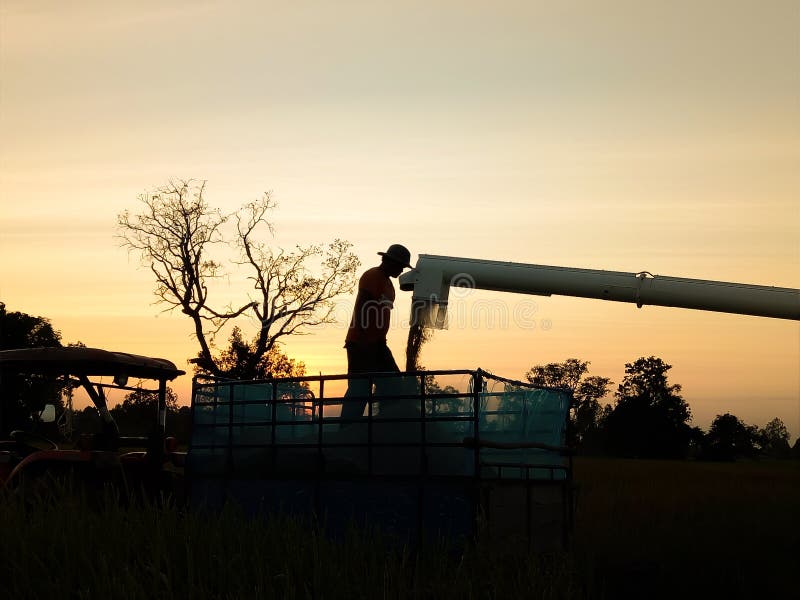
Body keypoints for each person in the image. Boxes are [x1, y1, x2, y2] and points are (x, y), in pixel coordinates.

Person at [341, 244, 413, 423]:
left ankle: (386, 424)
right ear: (390, 261)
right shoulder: (372, 276)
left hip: (378, 343)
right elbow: (361, 307)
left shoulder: (389, 285)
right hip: (362, 342)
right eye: (400, 266)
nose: (401, 270)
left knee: (394, 385)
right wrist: (363, 339)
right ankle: (347, 429)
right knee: (360, 389)